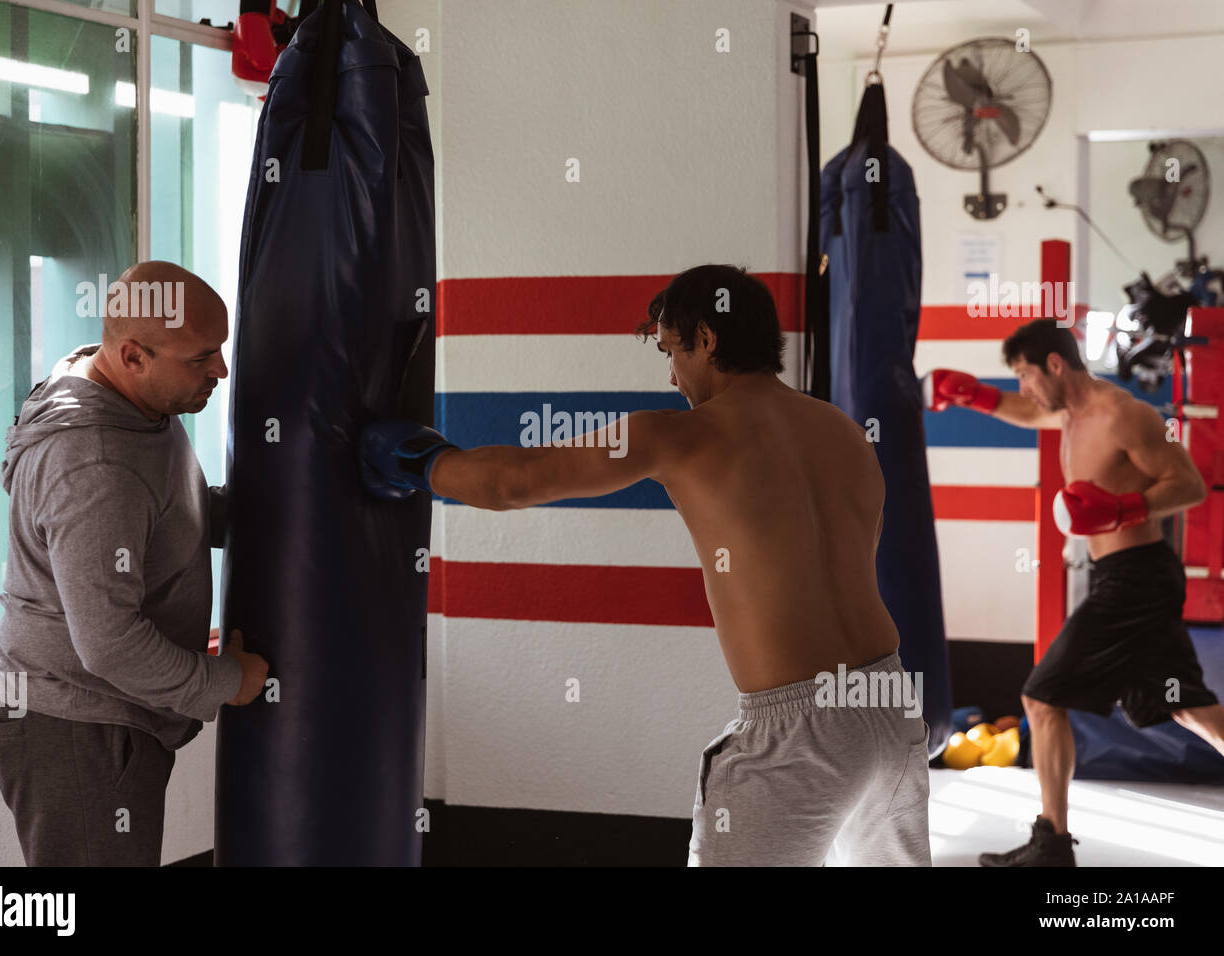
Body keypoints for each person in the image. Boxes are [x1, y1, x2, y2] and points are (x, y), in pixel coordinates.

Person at [361, 264, 932, 866]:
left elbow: (513, 481)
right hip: (889, 702)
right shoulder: (846, 433)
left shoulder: (681, 435)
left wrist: (417, 459)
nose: (671, 376)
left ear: (706, 338)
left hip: (799, 737)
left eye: (671, 352)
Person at [0, 260, 269, 866]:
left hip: (94, 717)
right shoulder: (96, 462)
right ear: (133, 356)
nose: (221, 370)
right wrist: (225, 682)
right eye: (201, 357)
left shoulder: (119, 391)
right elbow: (109, 643)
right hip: (76, 726)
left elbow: (160, 516)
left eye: (220, 349)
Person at [923, 318, 1224, 867]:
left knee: (1041, 698)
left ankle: (1052, 844)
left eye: (1025, 374)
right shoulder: (1065, 412)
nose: (1023, 387)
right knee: (1187, 706)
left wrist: (1124, 508)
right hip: (1126, 577)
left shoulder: (1124, 415)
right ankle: (1052, 842)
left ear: (1055, 365)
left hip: (1137, 578)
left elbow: (1190, 485)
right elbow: (1024, 411)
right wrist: (972, 394)